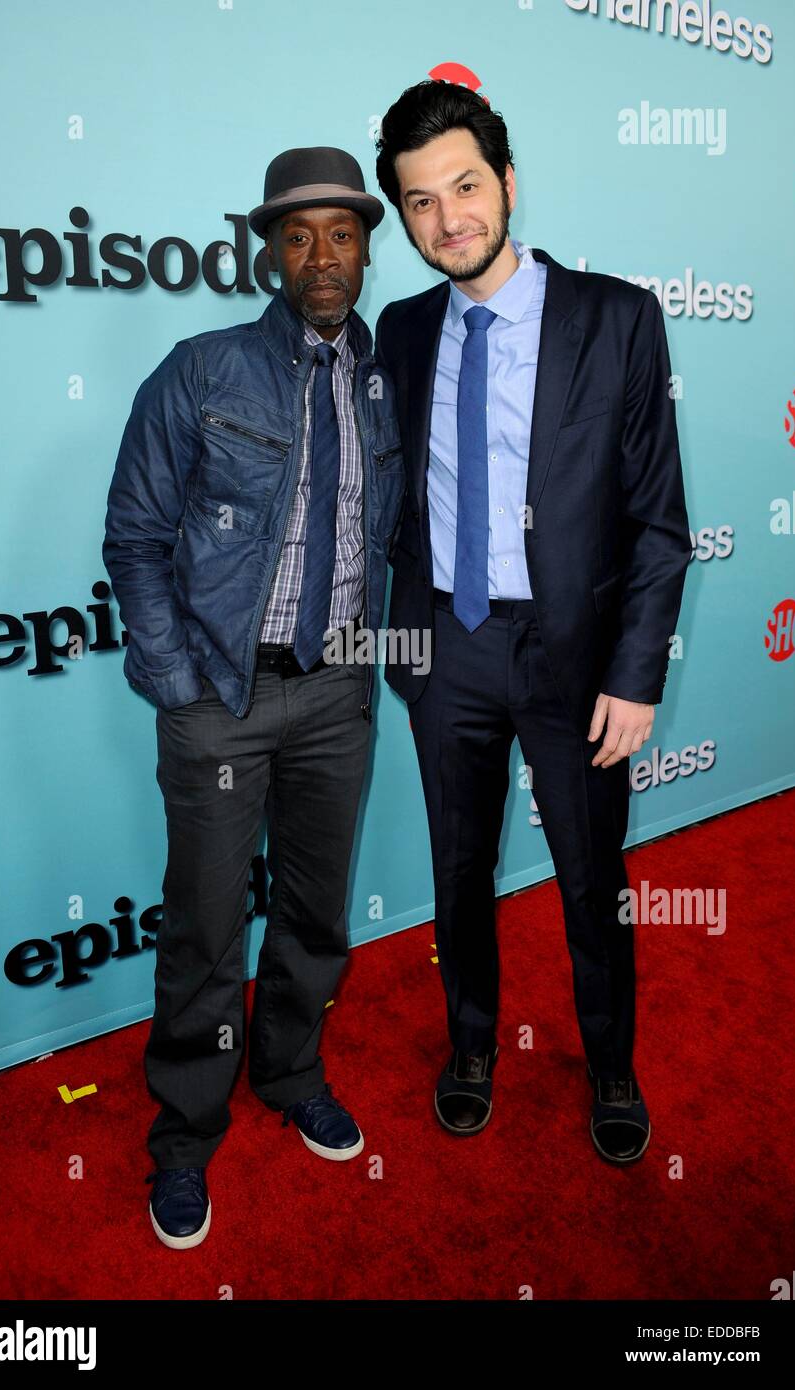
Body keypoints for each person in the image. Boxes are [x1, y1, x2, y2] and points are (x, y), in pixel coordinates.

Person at [373, 82, 691, 1164]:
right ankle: (471, 1045)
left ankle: (609, 1058)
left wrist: (637, 673)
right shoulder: (403, 329)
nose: (448, 217)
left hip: (575, 656)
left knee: (593, 877)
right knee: (458, 868)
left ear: (507, 185)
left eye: (465, 186)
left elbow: (657, 519)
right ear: (404, 218)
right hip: (446, 648)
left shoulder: (616, 317)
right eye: (420, 201)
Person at [102, 147, 405, 1247]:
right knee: (203, 927)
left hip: (337, 693)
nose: (321, 256)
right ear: (270, 251)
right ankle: (184, 1133)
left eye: (342, 233)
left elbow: (394, 535)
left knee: (317, 915)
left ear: (367, 246)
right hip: (221, 694)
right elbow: (134, 540)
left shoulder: (384, 378)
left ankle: (289, 1072)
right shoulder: (200, 370)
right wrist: (180, 684)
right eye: (298, 235)